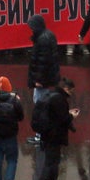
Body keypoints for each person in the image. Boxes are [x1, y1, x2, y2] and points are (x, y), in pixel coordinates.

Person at [35, 77, 77, 180]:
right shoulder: (59, 99)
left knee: (53, 162)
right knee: (51, 163)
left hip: (47, 134)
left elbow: (56, 115)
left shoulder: (51, 96)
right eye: (71, 91)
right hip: (54, 136)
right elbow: (63, 119)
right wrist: (72, 115)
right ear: (66, 88)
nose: (71, 94)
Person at [26, 13, 61, 145]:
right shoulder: (48, 36)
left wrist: (38, 80)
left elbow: (42, 62)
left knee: (40, 107)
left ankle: (40, 135)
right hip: (46, 79)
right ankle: (43, 134)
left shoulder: (42, 40)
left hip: (42, 81)